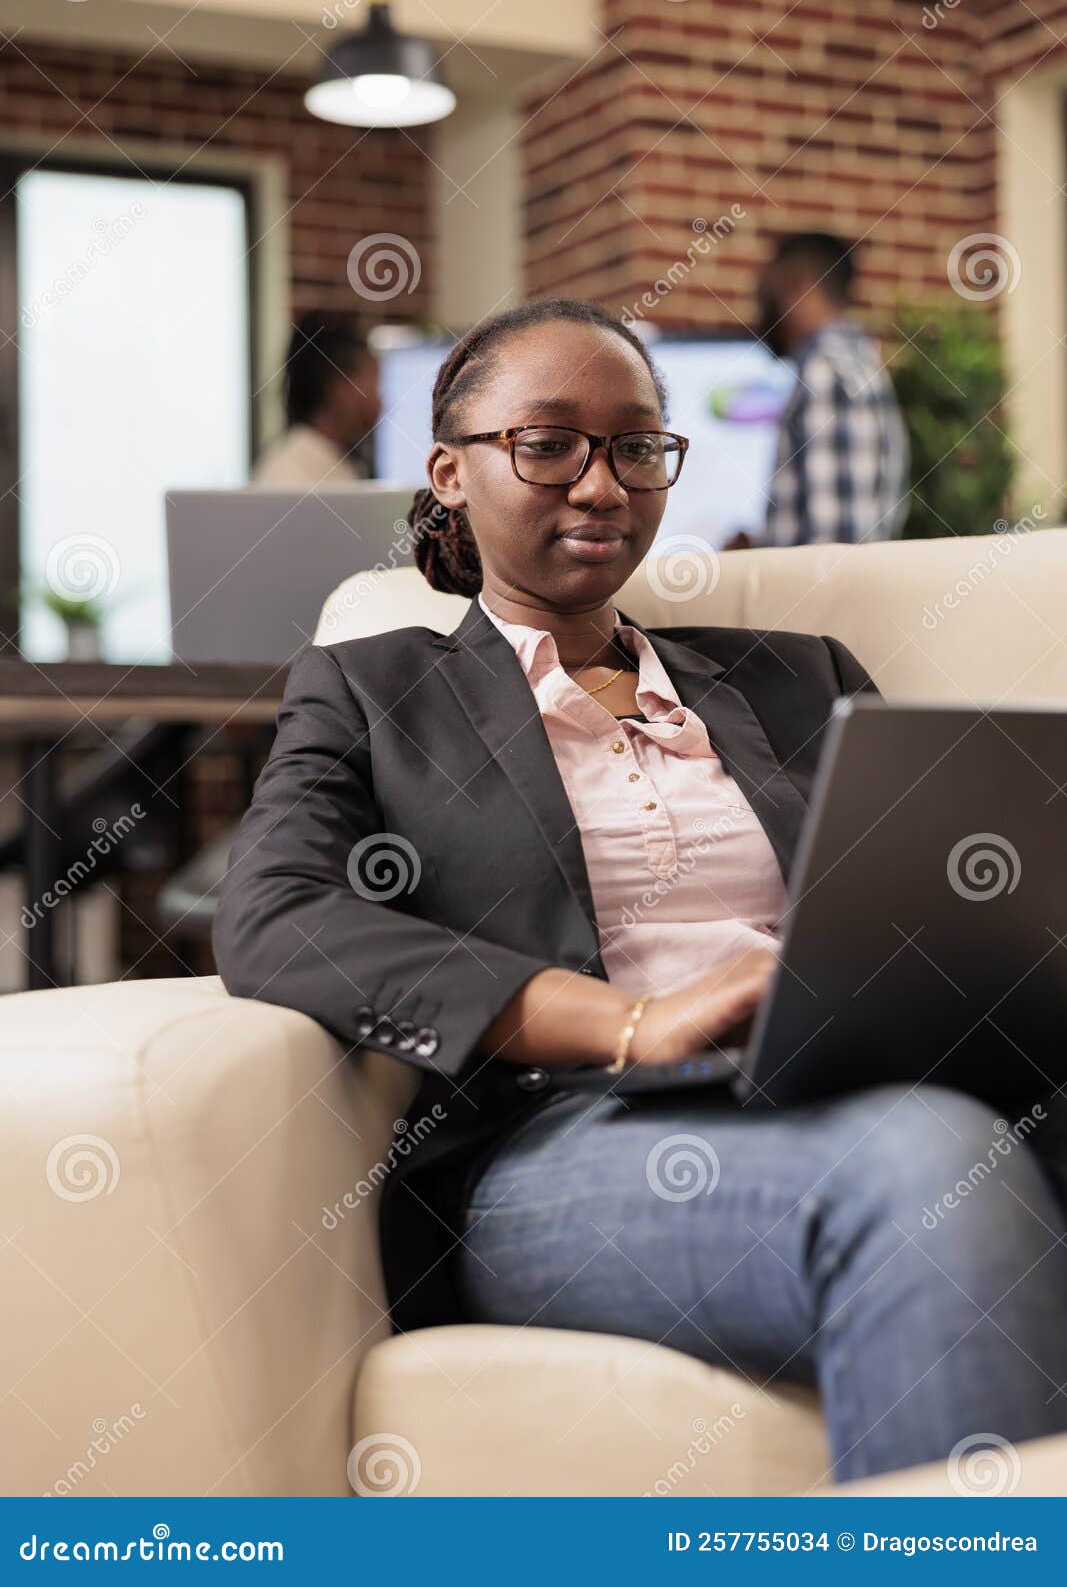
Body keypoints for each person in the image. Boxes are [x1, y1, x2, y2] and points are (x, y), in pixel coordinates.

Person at [213, 296, 1067, 1485]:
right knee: (919, 1166)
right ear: (449, 471)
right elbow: (276, 916)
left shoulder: (794, 676)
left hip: (844, 1076)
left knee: (951, 1133)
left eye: (634, 445)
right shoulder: (372, 690)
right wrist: (624, 1018)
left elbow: (931, 895)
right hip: (571, 1140)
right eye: (548, 443)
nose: (602, 485)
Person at [729, 231, 909, 548]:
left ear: (797, 284)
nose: (761, 307)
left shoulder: (825, 372)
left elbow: (831, 548)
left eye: (767, 289)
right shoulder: (854, 365)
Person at [250, 310, 381, 487]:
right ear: (338, 386)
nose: (380, 400)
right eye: (375, 383)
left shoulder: (329, 463)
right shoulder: (295, 475)